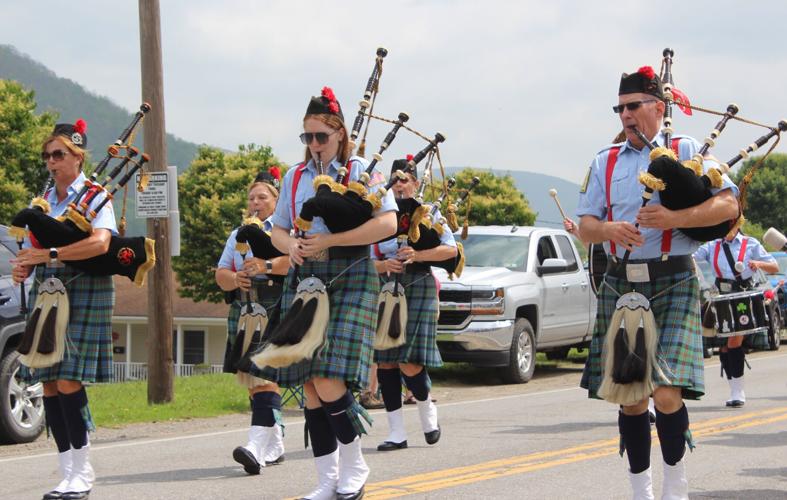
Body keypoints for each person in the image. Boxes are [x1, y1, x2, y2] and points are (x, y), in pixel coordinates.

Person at [576, 66, 739, 499]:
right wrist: (608, 231)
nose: (625, 115)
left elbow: (727, 207)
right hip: (621, 283)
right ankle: (640, 488)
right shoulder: (603, 161)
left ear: (658, 108)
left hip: (673, 278)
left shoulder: (689, 150)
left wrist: (674, 219)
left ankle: (675, 481)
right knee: (631, 397)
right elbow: (586, 225)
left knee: (666, 394)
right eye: (620, 108)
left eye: (633, 106)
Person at [269, 87, 397, 500]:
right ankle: (327, 479)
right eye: (307, 137)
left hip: (351, 273)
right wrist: (289, 245)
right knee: (308, 382)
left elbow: (388, 225)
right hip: (306, 279)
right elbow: (278, 229)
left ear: (341, 134)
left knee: (327, 377)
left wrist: (332, 241)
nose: (314, 145)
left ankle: (354, 462)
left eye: (321, 136)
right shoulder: (293, 177)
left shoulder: (363, 171)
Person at [11, 120, 117, 500]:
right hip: (48, 289)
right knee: (51, 384)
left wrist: (50, 253)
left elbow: (101, 244)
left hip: (84, 289)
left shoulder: (95, 194)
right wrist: (26, 264)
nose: (51, 162)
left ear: (77, 156)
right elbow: (36, 247)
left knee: (70, 380)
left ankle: (83, 472)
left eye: (59, 154)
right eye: (47, 156)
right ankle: (67, 471)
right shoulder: (44, 197)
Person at [371, 159, 456, 452]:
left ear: (415, 183)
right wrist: (384, 263)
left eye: (405, 180)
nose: (400, 184)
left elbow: (451, 250)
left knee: (410, 360)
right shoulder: (377, 213)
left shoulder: (429, 212)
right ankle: (396, 432)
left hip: (418, 284)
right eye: (395, 180)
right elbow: (363, 257)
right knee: (386, 360)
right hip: (384, 285)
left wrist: (417, 256)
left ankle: (427, 412)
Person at [215, 169, 289, 474]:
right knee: (252, 382)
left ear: (276, 200)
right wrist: (236, 278)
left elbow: (294, 263)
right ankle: (275, 444)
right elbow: (221, 275)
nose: (255, 202)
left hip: (276, 305)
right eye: (251, 197)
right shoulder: (238, 234)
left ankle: (255, 448)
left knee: (264, 379)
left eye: (262, 196)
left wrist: (265, 265)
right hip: (245, 309)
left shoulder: (283, 231)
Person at [693, 229, 778, 407]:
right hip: (721, 296)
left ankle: (738, 391)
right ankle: (734, 388)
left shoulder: (750, 243)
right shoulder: (712, 245)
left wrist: (758, 264)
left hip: (743, 296)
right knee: (724, 347)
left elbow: (774, 267)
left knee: (733, 341)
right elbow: (690, 256)